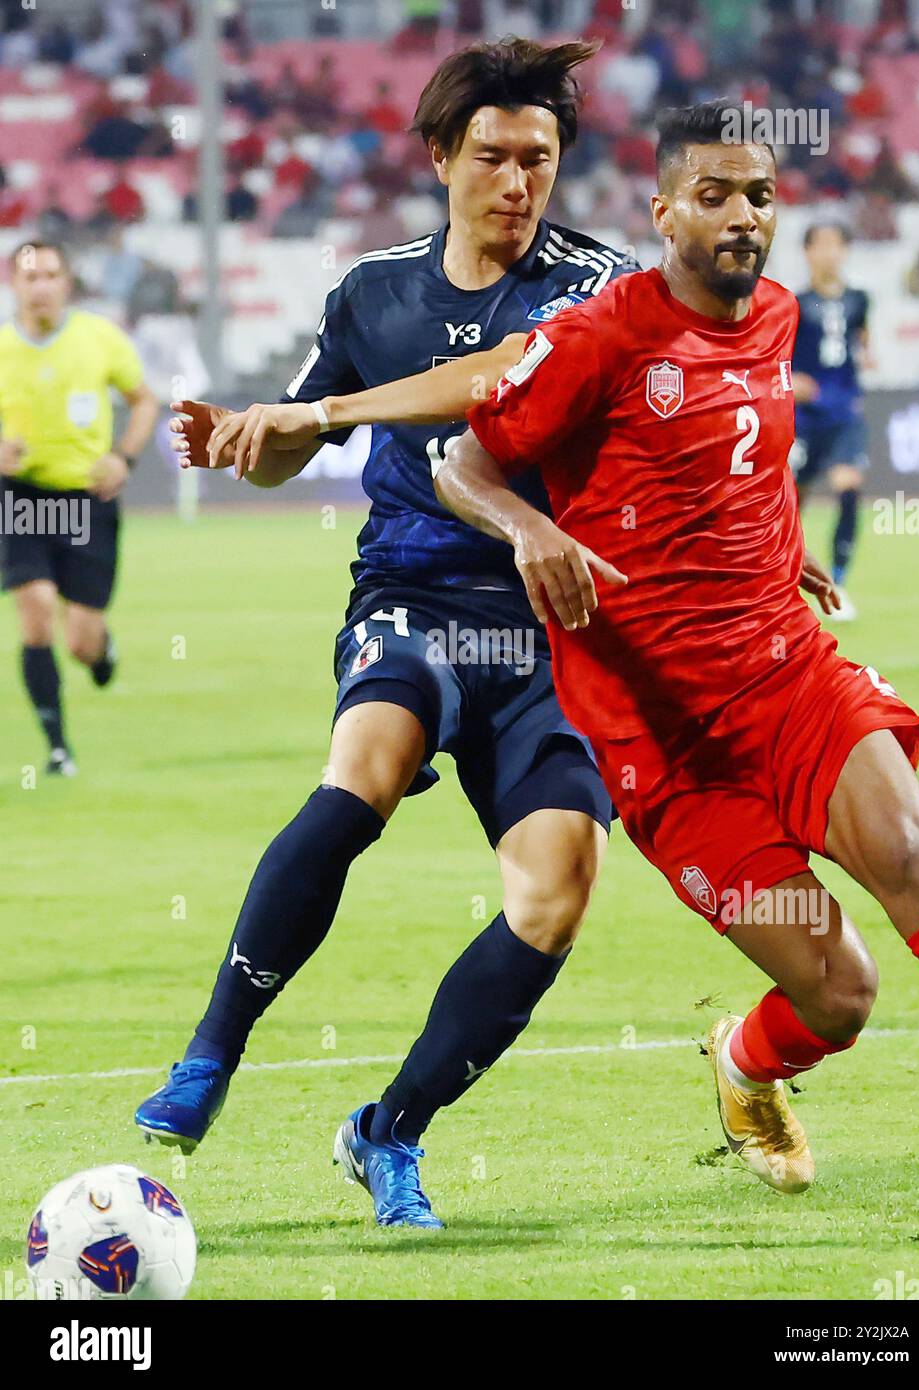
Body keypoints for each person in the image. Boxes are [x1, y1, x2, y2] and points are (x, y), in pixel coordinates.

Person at [134, 39, 638, 1230]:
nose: (519, 184)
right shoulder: (370, 290)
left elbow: (501, 375)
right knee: (361, 772)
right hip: (411, 596)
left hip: (549, 628)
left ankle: (387, 1132)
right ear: (436, 159)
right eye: (493, 159)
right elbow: (298, 445)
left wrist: (318, 410)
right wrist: (256, 442)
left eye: (540, 160)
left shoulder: (595, 282)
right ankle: (211, 1052)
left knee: (555, 892)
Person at [435, 100, 919, 1196]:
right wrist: (534, 529)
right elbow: (462, 465)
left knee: (917, 865)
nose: (740, 216)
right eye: (713, 195)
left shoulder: (771, 314)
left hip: (787, 673)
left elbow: (745, 451)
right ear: (662, 211)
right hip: (662, 739)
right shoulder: (597, 339)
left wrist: (789, 544)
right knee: (840, 996)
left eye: (758, 195)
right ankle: (740, 1064)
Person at [0, 241, 157, 774]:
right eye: (29, 276)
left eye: (49, 275)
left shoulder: (99, 339)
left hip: (87, 501)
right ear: (14, 284)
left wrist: (124, 458)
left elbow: (144, 400)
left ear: (66, 283)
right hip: (22, 496)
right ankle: (57, 748)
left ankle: (100, 650)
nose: (39, 285)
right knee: (36, 612)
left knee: (81, 643)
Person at [791, 222, 871, 620]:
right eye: (821, 245)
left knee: (849, 487)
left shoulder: (859, 299)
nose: (829, 253)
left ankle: (837, 582)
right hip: (803, 419)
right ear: (807, 252)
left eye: (836, 245)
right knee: (789, 504)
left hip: (845, 415)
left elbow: (863, 344)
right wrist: (789, 381)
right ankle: (782, 581)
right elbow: (777, 358)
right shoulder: (795, 302)